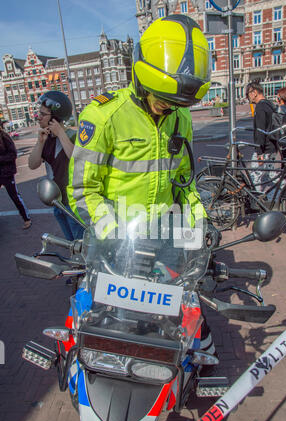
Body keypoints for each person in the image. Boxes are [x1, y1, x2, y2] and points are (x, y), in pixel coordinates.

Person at [67, 14, 220, 372]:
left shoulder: (180, 118)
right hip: (116, 245)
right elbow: (82, 188)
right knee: (102, 321)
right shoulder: (105, 116)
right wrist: (111, 234)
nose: (168, 109)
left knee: (184, 316)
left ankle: (202, 356)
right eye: (162, 101)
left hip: (164, 242)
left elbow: (185, 185)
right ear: (139, 78)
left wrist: (201, 227)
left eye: (176, 105)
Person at [28, 91, 84, 241]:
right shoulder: (45, 138)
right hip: (58, 204)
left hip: (73, 203)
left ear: (55, 118)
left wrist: (60, 133)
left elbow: (76, 158)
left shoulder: (73, 135)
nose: (38, 116)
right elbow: (32, 165)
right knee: (70, 242)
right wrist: (40, 142)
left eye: (43, 114)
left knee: (81, 243)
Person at [246, 82, 280, 197]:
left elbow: (260, 130)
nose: (248, 98)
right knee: (272, 174)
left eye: (248, 94)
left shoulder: (260, 107)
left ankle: (257, 201)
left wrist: (259, 152)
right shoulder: (270, 104)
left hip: (264, 147)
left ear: (254, 92)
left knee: (255, 175)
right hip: (272, 145)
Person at [0, 120, 31, 229]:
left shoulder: (5, 137)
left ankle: (26, 218)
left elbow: (13, 154)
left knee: (14, 196)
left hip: (7, 173)